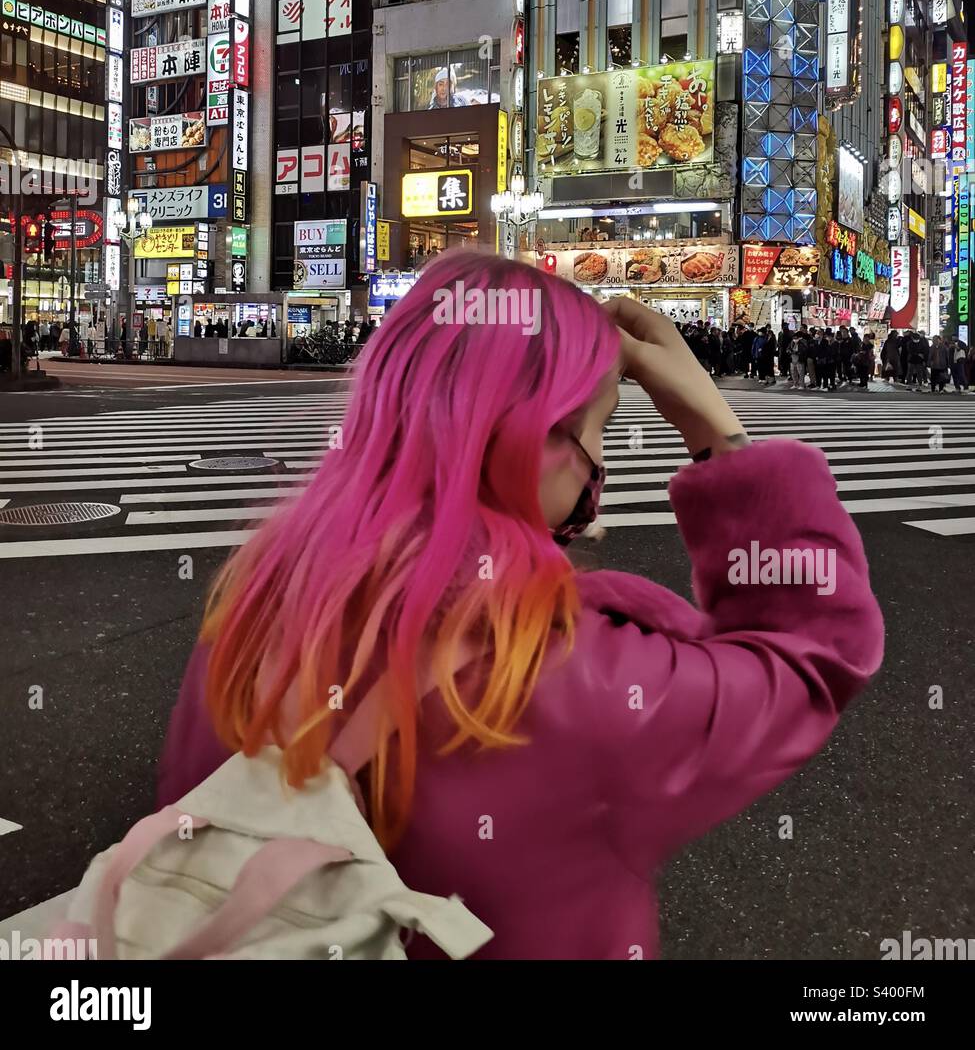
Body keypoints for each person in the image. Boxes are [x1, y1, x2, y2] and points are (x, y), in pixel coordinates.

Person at [156, 253, 882, 961]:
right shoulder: (574, 673)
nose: (602, 457)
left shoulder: (257, 605)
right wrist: (716, 433)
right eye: (598, 424)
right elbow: (810, 657)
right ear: (544, 435)